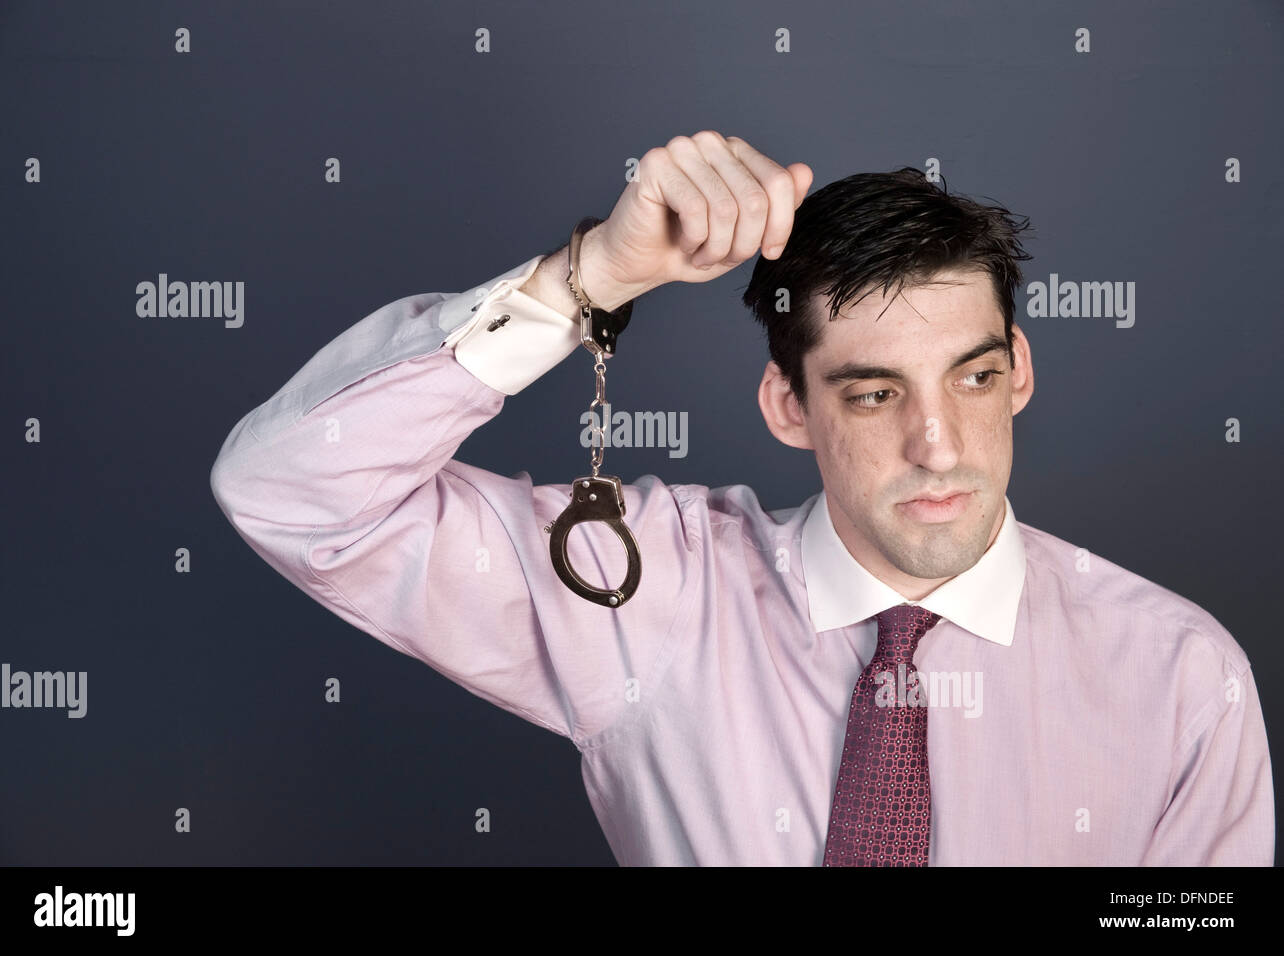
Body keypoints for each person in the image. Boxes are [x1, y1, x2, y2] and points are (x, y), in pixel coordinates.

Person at [209, 131, 1274, 866]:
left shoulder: (1181, 678)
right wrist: (589, 278)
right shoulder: (645, 594)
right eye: (872, 392)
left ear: (1021, 370)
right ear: (787, 404)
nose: (937, 442)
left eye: (973, 376)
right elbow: (288, 491)